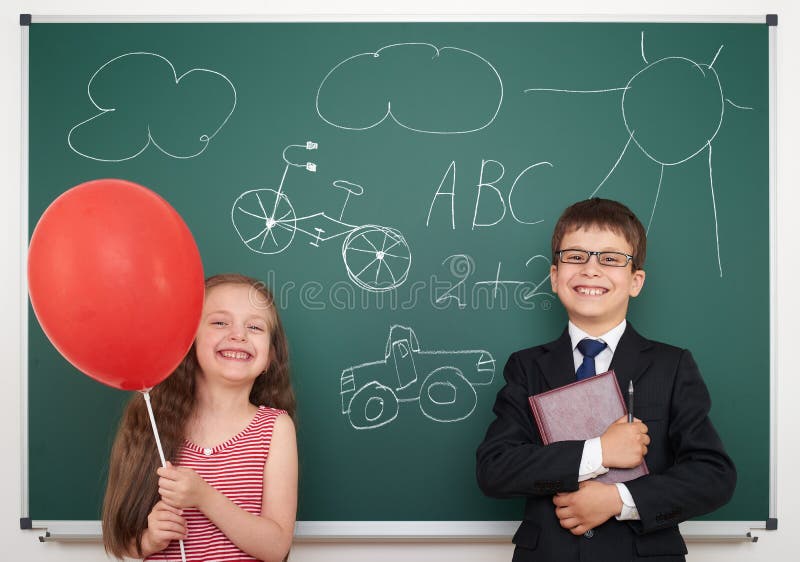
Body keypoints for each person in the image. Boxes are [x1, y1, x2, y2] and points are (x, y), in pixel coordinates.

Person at [476, 199, 736, 562]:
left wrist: (620, 500)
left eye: (611, 259)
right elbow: (495, 469)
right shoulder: (526, 367)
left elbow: (713, 476)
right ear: (554, 276)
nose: (591, 269)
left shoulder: (672, 365)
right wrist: (599, 452)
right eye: (575, 256)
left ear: (636, 281)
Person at [102, 273, 297, 562]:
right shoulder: (152, 421)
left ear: (270, 356)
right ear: (189, 340)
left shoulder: (275, 428)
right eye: (220, 323)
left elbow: (276, 548)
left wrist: (204, 498)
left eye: (255, 327)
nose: (239, 335)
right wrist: (151, 539)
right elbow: (123, 541)